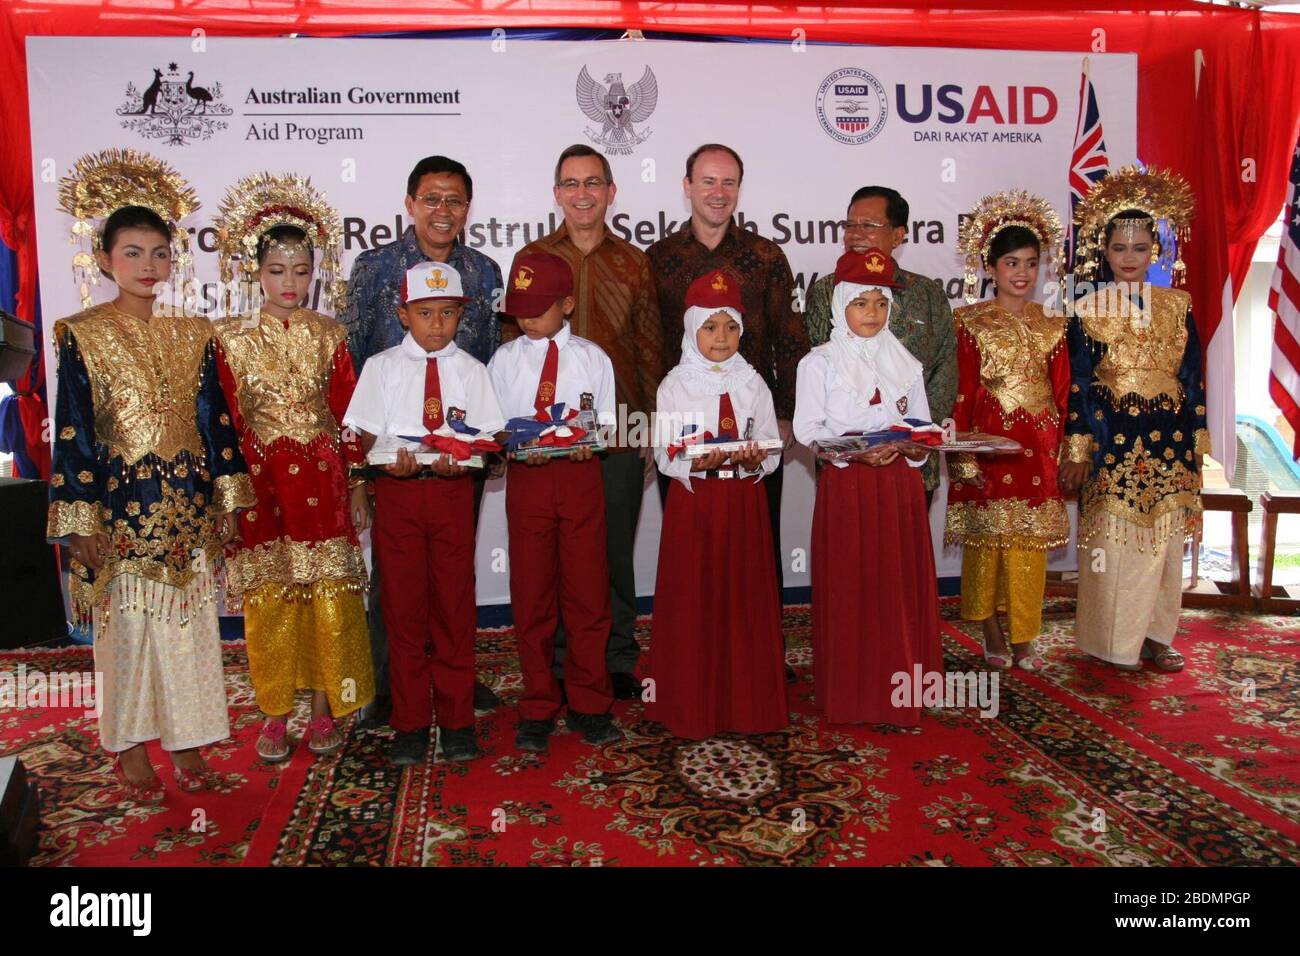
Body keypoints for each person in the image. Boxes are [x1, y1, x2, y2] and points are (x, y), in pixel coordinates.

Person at [47, 150, 254, 801]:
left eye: (158, 253)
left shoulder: (194, 334)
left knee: (190, 633)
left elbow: (215, 423)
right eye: (131, 253)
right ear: (106, 259)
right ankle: (130, 751)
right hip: (121, 510)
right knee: (129, 639)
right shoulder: (82, 334)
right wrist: (79, 524)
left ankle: (189, 746)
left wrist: (227, 500)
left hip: (186, 508)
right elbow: (74, 432)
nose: (146, 266)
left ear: (172, 261)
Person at [211, 172, 374, 761]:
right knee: (272, 604)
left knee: (330, 600)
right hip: (261, 491)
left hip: (324, 488)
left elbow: (347, 413)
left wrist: (356, 481)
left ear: (315, 273)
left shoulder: (330, 335)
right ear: (254, 272)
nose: (290, 283)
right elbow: (222, 424)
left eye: (302, 271)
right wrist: (227, 495)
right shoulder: (227, 339)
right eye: (277, 271)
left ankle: (328, 709)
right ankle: (276, 714)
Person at [338, 155, 503, 725]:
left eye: (454, 200)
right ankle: (389, 688)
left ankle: (456, 679)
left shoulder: (483, 272)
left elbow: (490, 361)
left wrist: (485, 446)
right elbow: (353, 362)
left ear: (467, 208)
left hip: (460, 451)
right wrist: (361, 470)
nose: (442, 210)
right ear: (410, 203)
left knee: (454, 576)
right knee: (395, 579)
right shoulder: (375, 268)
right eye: (431, 198)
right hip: (393, 454)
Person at [501, 144, 663, 700]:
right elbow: (510, 344)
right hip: (541, 439)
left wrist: (647, 427)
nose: (582, 193)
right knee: (551, 557)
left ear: (611, 191)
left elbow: (648, 349)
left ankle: (615, 656)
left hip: (616, 431)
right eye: (570, 183)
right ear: (557, 194)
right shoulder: (533, 257)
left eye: (593, 182)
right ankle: (558, 661)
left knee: (611, 548)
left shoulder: (634, 262)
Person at [646, 143, 809, 680]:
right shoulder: (660, 259)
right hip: (686, 430)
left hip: (754, 425)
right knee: (694, 548)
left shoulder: (767, 257)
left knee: (758, 543)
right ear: (687, 185)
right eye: (708, 181)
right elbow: (649, 343)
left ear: (740, 188)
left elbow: (789, 337)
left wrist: (785, 414)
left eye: (729, 182)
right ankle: (695, 655)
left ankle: (761, 653)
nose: (718, 193)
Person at [1059, 165, 1205, 674]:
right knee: (1112, 547)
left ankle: (1157, 637)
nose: (1128, 259)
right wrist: (1078, 447)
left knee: (1165, 547)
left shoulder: (1178, 304)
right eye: (1119, 249)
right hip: (1111, 442)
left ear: (1156, 252)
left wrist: (1197, 442)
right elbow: (1077, 381)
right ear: (1105, 252)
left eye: (1140, 248)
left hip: (1171, 443)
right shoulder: (1085, 308)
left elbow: (1192, 375)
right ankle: (1110, 643)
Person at [793, 249, 943, 725]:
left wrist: (913, 447)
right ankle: (853, 695)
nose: (873, 313)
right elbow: (807, 428)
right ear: (840, 306)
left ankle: (900, 691)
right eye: (862, 303)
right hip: (850, 488)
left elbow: (920, 424)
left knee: (895, 587)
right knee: (852, 585)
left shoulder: (905, 361)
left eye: (881, 303)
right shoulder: (818, 363)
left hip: (897, 487)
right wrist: (854, 452)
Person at [488, 251, 622, 754]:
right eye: (519, 308)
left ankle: (590, 701)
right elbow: (495, 426)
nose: (526, 318)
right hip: (529, 485)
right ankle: (539, 702)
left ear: (566, 303)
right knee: (533, 594)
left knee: (587, 594)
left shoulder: (592, 358)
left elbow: (605, 422)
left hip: (581, 479)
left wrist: (591, 441)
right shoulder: (504, 360)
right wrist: (514, 445)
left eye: (538, 308)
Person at [646, 268, 787, 739]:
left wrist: (754, 459)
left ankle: (748, 703)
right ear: (691, 330)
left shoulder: (753, 383)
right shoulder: (675, 386)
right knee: (696, 597)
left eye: (730, 327)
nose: (721, 337)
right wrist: (699, 461)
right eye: (710, 327)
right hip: (697, 506)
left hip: (743, 501)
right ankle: (693, 703)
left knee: (743, 597)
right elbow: (666, 453)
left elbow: (770, 443)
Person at [945, 190, 1070, 672]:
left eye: (1032, 263)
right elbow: (962, 391)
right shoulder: (969, 323)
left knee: (1029, 549)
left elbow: (1062, 395)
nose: (1022, 273)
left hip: (1037, 453)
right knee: (987, 547)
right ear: (990, 267)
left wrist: (1063, 451)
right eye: (1011, 262)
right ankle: (991, 631)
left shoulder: (1053, 325)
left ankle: (1025, 638)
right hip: (986, 449)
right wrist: (963, 455)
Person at [804, 186, 957, 504]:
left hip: (911, 461)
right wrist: (857, 446)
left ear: (898, 235)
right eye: (850, 225)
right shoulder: (825, 292)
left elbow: (943, 368)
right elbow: (824, 372)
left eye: (869, 226)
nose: (855, 234)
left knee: (903, 546)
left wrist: (916, 439)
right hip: (846, 463)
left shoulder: (926, 293)